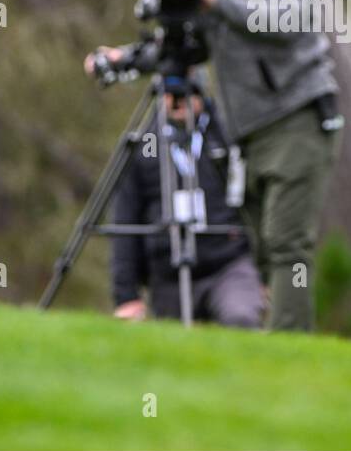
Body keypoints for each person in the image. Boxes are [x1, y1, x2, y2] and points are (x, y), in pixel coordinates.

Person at [166, 0, 342, 332]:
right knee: (262, 246)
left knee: (287, 244)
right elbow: (205, 43)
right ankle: (272, 340)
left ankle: (288, 350)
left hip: (295, 121)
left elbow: (282, 19)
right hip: (251, 130)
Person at [109, 87, 264, 328]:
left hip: (227, 265)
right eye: (170, 92)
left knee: (241, 319)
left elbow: (259, 206)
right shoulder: (143, 144)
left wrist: (267, 272)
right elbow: (124, 224)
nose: (179, 100)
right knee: (173, 347)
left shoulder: (228, 135)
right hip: (166, 274)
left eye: (187, 92)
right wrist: (126, 295)